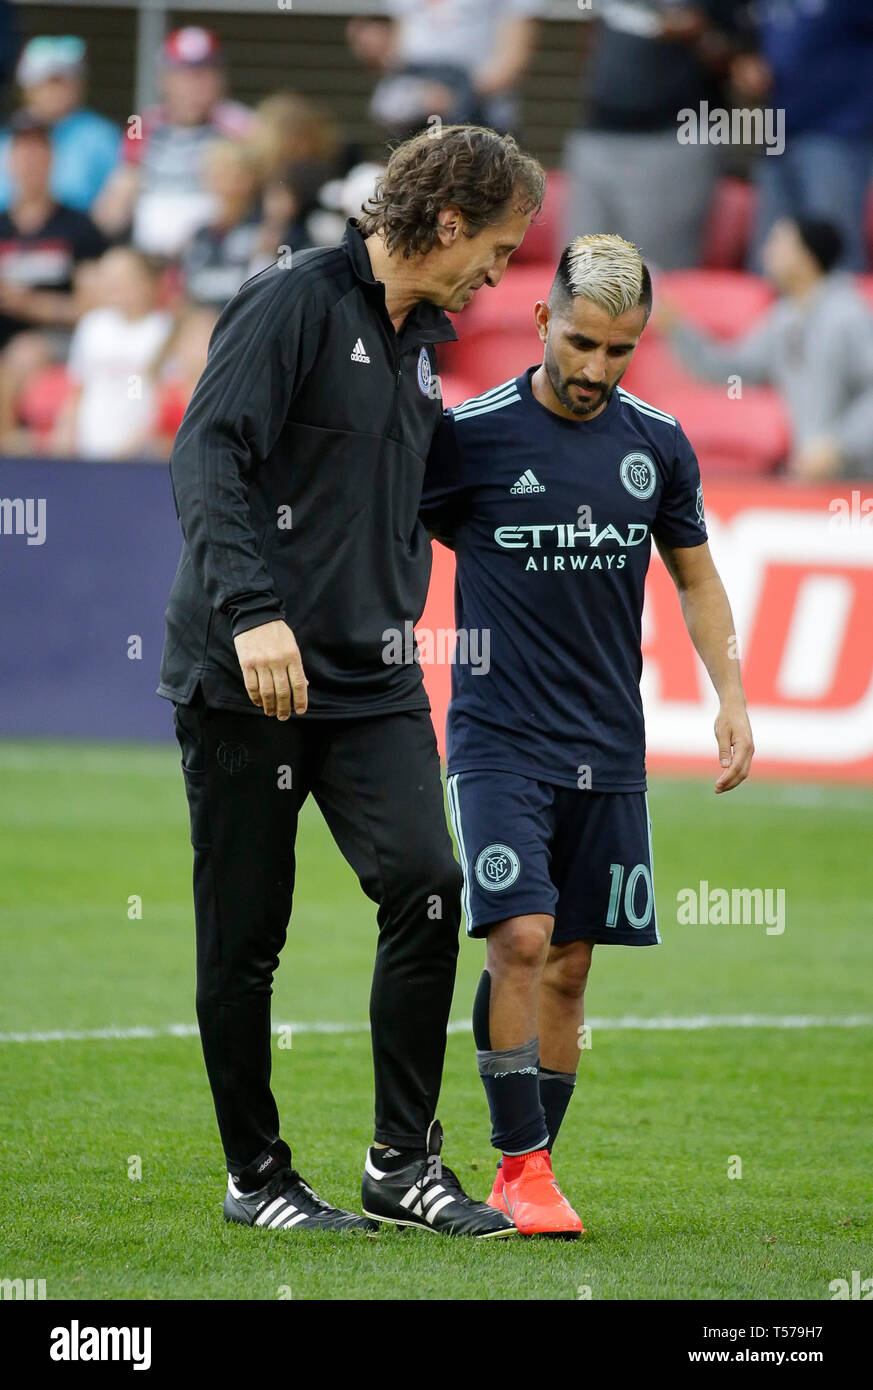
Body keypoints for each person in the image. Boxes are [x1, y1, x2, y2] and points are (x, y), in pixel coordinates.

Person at [157, 125, 545, 1236]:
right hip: (249, 676)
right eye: (502, 246)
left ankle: (401, 1163)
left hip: (372, 677)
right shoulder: (292, 300)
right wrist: (252, 613)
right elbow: (208, 453)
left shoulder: (425, 339)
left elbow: (436, 495)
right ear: (450, 219)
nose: (500, 272)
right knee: (246, 935)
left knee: (429, 884)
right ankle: (256, 1177)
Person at [419, 233, 754, 1237]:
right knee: (517, 936)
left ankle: (535, 1167)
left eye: (621, 350)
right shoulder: (469, 438)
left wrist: (730, 692)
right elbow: (394, 535)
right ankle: (519, 1166)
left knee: (571, 961)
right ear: (539, 322)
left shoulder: (658, 443)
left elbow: (695, 576)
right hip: (497, 734)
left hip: (608, 743)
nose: (597, 369)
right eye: (581, 344)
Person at [659, 217, 873, 479]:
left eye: (779, 243)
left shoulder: (849, 315)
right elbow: (733, 372)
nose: (766, 251)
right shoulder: (784, 318)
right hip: (813, 476)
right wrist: (679, 329)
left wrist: (840, 445)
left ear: (806, 256)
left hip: (860, 477)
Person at [564, 1, 746, 269]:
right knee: (579, 274)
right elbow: (594, 28)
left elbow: (739, 55)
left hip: (669, 139)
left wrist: (696, 34)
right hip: (596, 134)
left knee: (652, 278)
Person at [736, 0, 873, 273]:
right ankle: (777, 318)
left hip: (838, 134)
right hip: (779, 134)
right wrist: (751, 66)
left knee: (832, 257)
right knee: (771, 259)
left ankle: (847, 318)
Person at [93, 27, 253, 257]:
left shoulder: (240, 126)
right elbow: (118, 196)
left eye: (205, 73)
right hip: (148, 255)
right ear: (164, 79)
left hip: (214, 250)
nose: (195, 85)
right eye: (185, 74)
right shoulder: (142, 124)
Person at [0, 111, 107, 448]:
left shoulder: (79, 228)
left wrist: (31, 305)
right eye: (22, 151)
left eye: (38, 152)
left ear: (52, 160)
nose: (30, 161)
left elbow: (95, 307)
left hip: (54, 341)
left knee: (23, 353)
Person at [348, 0, 541, 138]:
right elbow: (397, 54)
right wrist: (377, 49)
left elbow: (514, 59)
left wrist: (454, 97)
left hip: (482, 123)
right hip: (415, 120)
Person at [51, 247, 173, 460]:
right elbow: (78, 386)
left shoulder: (163, 330)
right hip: (89, 443)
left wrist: (140, 440)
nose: (116, 285)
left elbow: (168, 395)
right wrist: (65, 431)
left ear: (147, 281)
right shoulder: (92, 325)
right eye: (109, 277)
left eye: (124, 277)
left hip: (139, 451)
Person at [0, 36, 121, 215]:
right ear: (28, 89)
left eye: (68, 80)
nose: (58, 91)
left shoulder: (103, 137)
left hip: (80, 238)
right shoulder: (8, 138)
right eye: (50, 82)